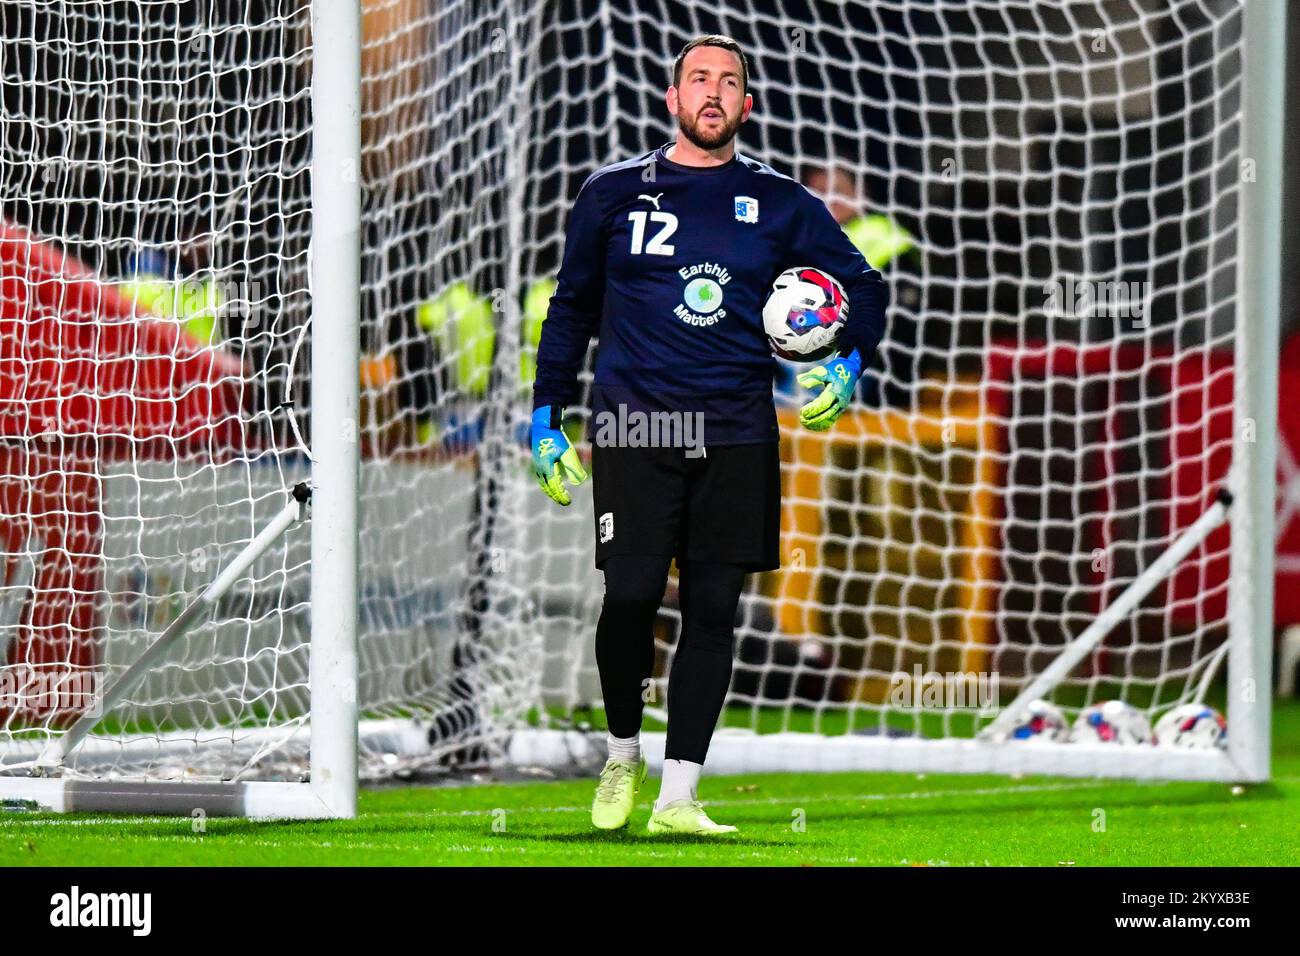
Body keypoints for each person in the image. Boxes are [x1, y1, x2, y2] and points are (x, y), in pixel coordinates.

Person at [529, 34, 888, 835]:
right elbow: (571, 307)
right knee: (629, 597)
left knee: (715, 610)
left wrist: (848, 359)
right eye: (700, 79)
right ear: (673, 98)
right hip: (634, 422)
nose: (714, 92)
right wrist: (549, 413)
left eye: (730, 81)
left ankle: (679, 795)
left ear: (747, 106)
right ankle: (622, 754)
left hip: (736, 429)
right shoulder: (614, 192)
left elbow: (864, 284)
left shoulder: (784, 203)